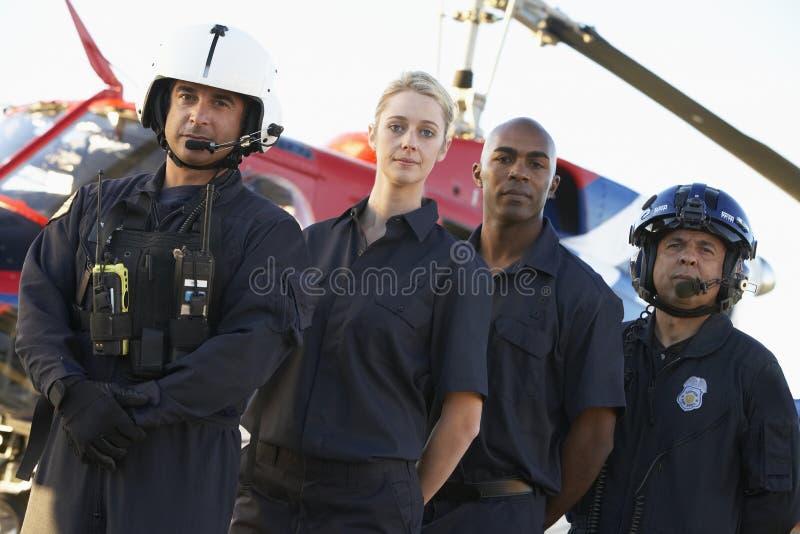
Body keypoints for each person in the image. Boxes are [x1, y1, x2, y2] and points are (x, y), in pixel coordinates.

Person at [15, 23, 310, 534]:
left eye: (221, 102)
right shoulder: (93, 204)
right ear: (162, 105)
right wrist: (71, 391)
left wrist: (138, 408)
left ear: (249, 120)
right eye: (186, 96)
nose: (199, 114)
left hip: (179, 469)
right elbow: (37, 308)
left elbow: (250, 349)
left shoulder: (269, 233)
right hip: (71, 454)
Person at [229, 71, 492, 534]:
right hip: (265, 494)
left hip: (368, 507)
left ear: (443, 148)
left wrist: (402, 506)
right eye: (397, 126)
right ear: (373, 134)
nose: (408, 142)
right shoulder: (308, 243)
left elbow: (464, 418)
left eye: (426, 132)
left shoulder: (458, 267)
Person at [421, 118, 625, 533]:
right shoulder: (432, 274)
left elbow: (595, 436)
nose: (518, 171)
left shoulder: (587, 298)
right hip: (406, 506)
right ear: (478, 173)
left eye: (536, 163)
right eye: (504, 158)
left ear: (552, 185)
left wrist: (529, 519)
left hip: (501, 515)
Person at [569, 183, 800, 533]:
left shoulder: (755, 371)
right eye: (674, 244)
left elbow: (776, 508)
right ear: (646, 259)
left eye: (706, 249)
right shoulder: (605, 348)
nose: (688, 257)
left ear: (733, 269)